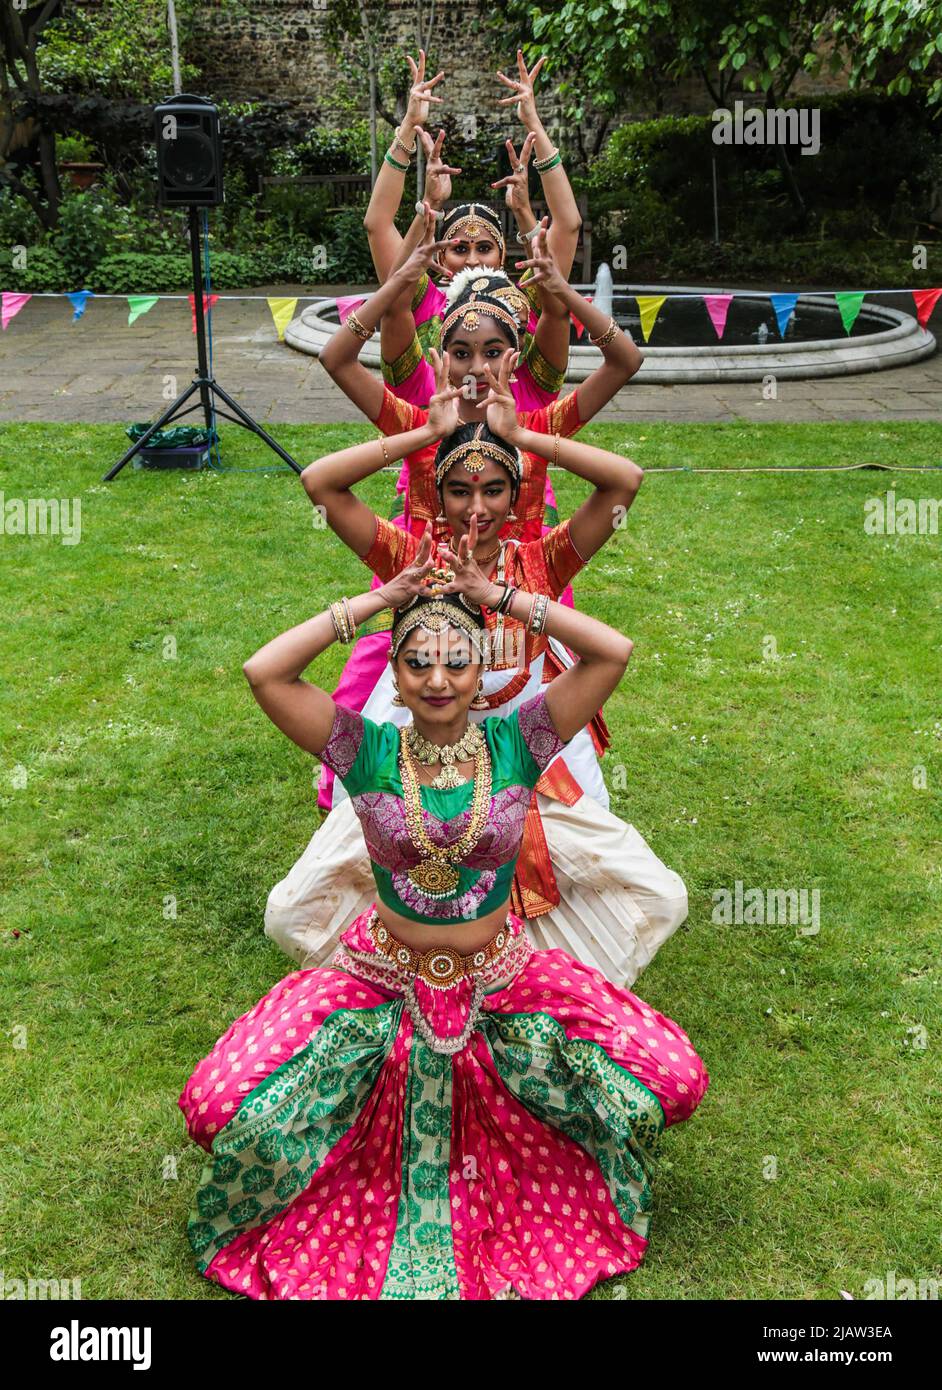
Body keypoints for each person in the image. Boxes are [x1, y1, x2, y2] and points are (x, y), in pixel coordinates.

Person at [179, 542, 709, 1300]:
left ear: (478, 667)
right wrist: (370, 604)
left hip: (502, 981)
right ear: (393, 672)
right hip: (382, 980)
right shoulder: (366, 749)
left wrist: (502, 595)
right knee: (220, 1102)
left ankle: (553, 1169)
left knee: (670, 1077)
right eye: (417, 663)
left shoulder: (517, 741)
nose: (436, 680)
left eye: (456, 662)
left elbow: (610, 653)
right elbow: (265, 673)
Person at [265, 340, 689, 990]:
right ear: (440, 492)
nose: (477, 507)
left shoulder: (539, 562)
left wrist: (526, 437)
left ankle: (526, 984)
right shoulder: (412, 560)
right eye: (459, 490)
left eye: (494, 489)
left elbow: (623, 482)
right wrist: (422, 434)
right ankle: (407, 971)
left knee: (586, 876)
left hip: (528, 743)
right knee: (374, 867)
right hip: (421, 748)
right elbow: (320, 483)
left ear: (515, 493)